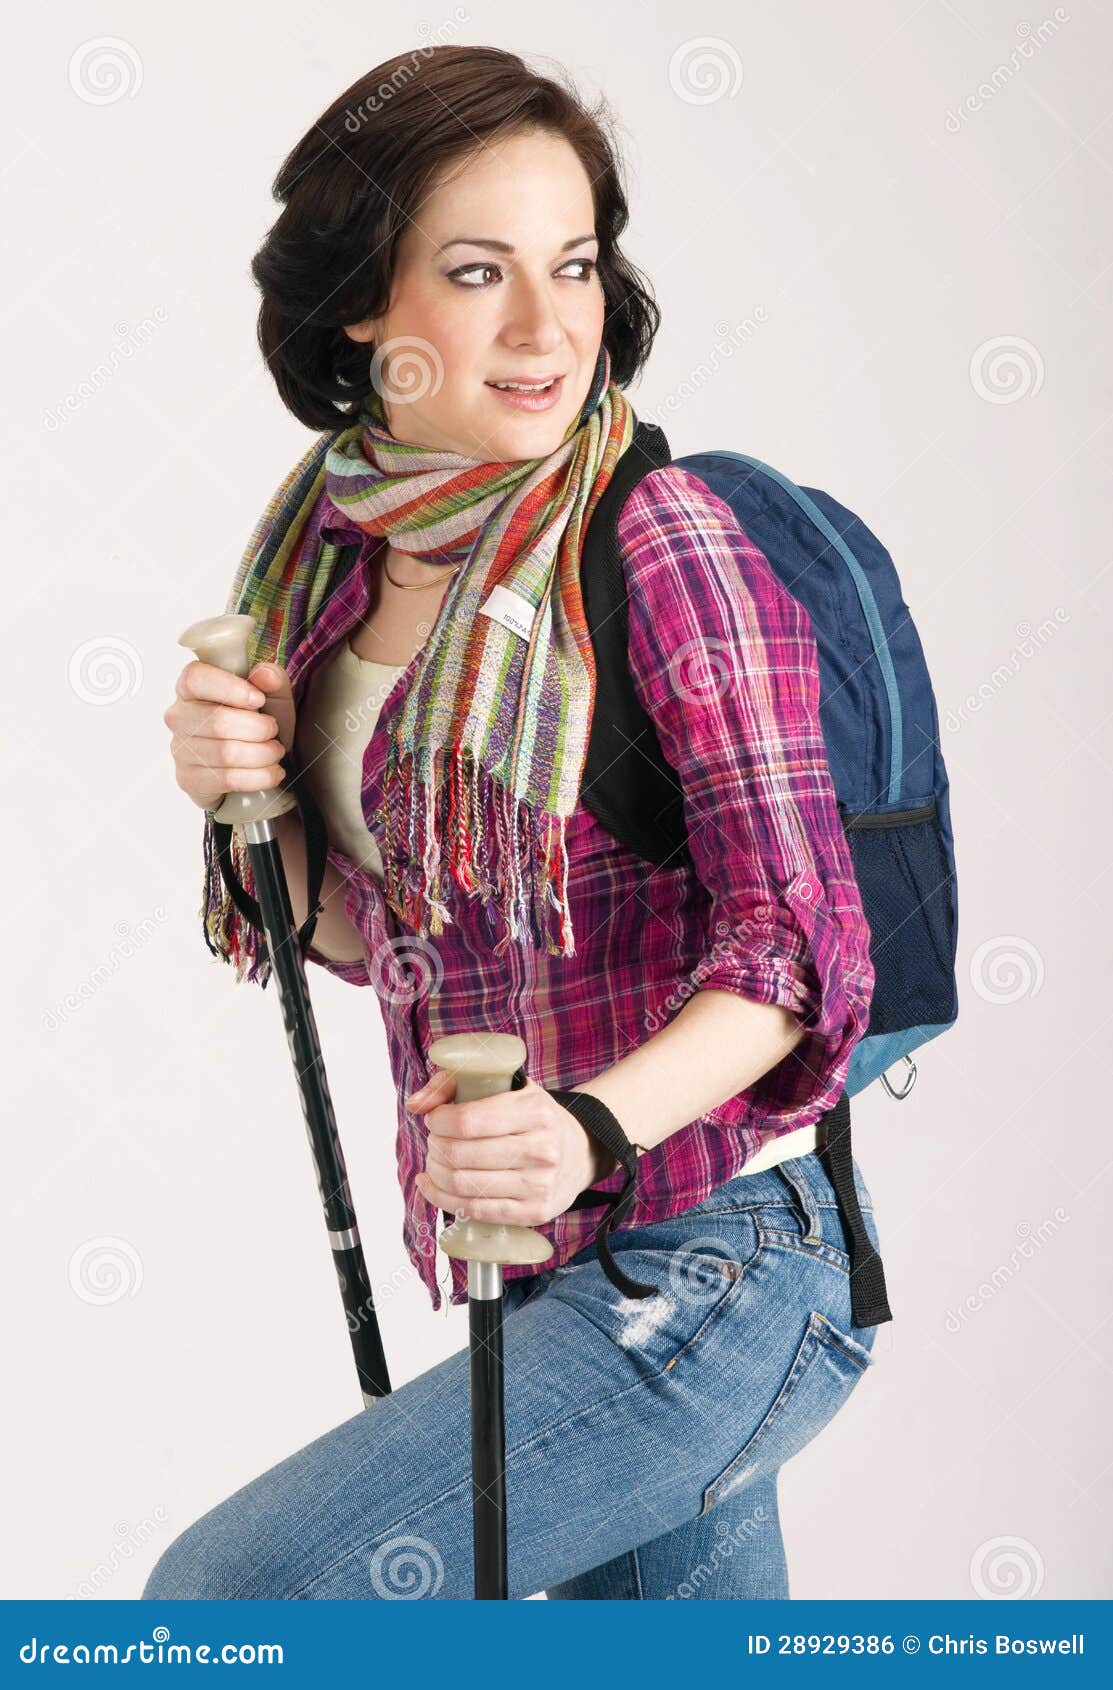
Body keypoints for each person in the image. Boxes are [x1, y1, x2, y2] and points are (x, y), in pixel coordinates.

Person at [149, 44, 883, 1602]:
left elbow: (799, 942)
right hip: (538, 1270)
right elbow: (358, 931)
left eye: (573, 265)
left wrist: (585, 1125)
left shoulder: (657, 534)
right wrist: (241, 796)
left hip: (721, 1251)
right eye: (479, 273)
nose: (548, 329)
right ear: (364, 301)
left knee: (234, 1601)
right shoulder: (329, 557)